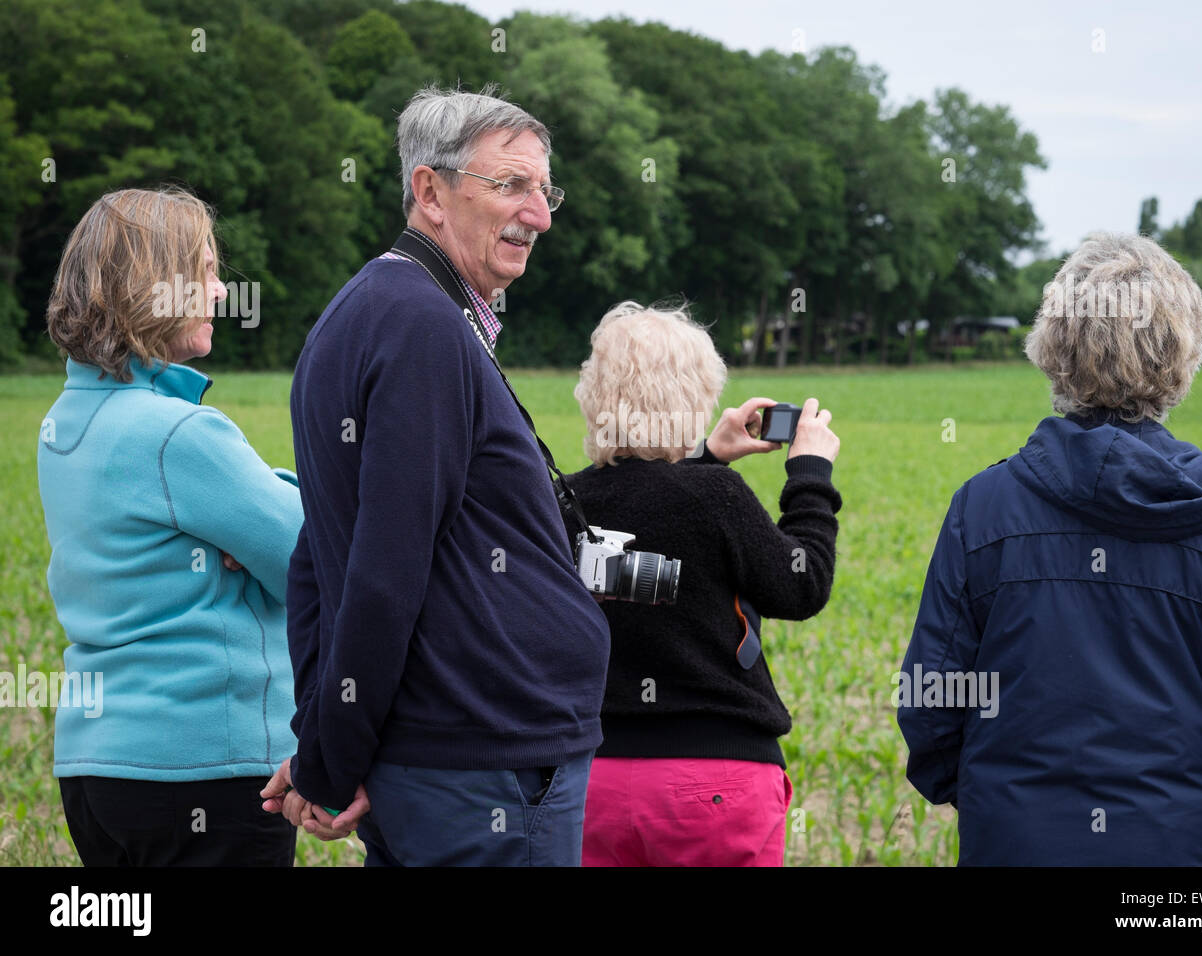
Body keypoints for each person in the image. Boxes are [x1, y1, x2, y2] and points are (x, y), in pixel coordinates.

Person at [260, 86, 612, 866]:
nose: (541, 214)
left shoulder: (365, 311)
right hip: (481, 761)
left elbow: (321, 555)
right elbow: (382, 571)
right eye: (511, 185)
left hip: (441, 755)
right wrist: (331, 754)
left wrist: (326, 746)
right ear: (430, 191)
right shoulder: (421, 326)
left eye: (544, 189)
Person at [897, 231, 1202, 865]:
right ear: (1183, 350)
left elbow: (931, 699)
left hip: (1015, 842)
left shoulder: (982, 506)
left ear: (1052, 346)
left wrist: (986, 795)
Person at [38, 187, 304, 866]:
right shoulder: (180, 434)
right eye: (207, 271)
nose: (221, 292)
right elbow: (312, 558)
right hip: (203, 771)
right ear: (156, 287)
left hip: (97, 774)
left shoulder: (66, 421)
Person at [563, 300, 842, 866]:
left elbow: (646, 521)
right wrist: (810, 476)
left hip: (591, 783)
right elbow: (801, 584)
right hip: (715, 781)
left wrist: (706, 457)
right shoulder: (716, 498)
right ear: (691, 399)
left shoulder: (562, 503)